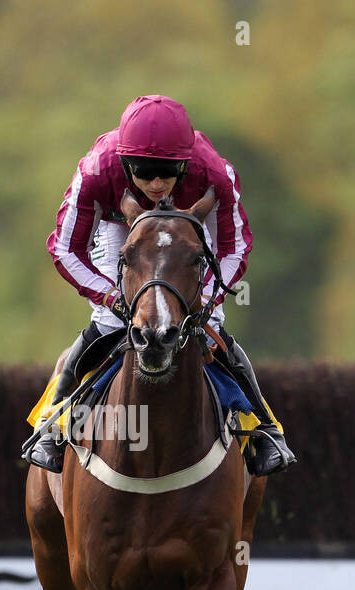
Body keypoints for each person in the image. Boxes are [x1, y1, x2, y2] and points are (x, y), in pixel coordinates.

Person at [26, 94, 295, 476]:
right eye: (143, 171)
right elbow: (67, 249)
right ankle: (53, 421)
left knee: (208, 327)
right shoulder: (96, 171)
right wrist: (111, 296)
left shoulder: (215, 173)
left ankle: (263, 430)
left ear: (186, 165)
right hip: (123, 229)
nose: (155, 183)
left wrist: (205, 298)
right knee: (110, 323)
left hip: (189, 231)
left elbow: (235, 246)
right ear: (123, 162)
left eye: (167, 172)